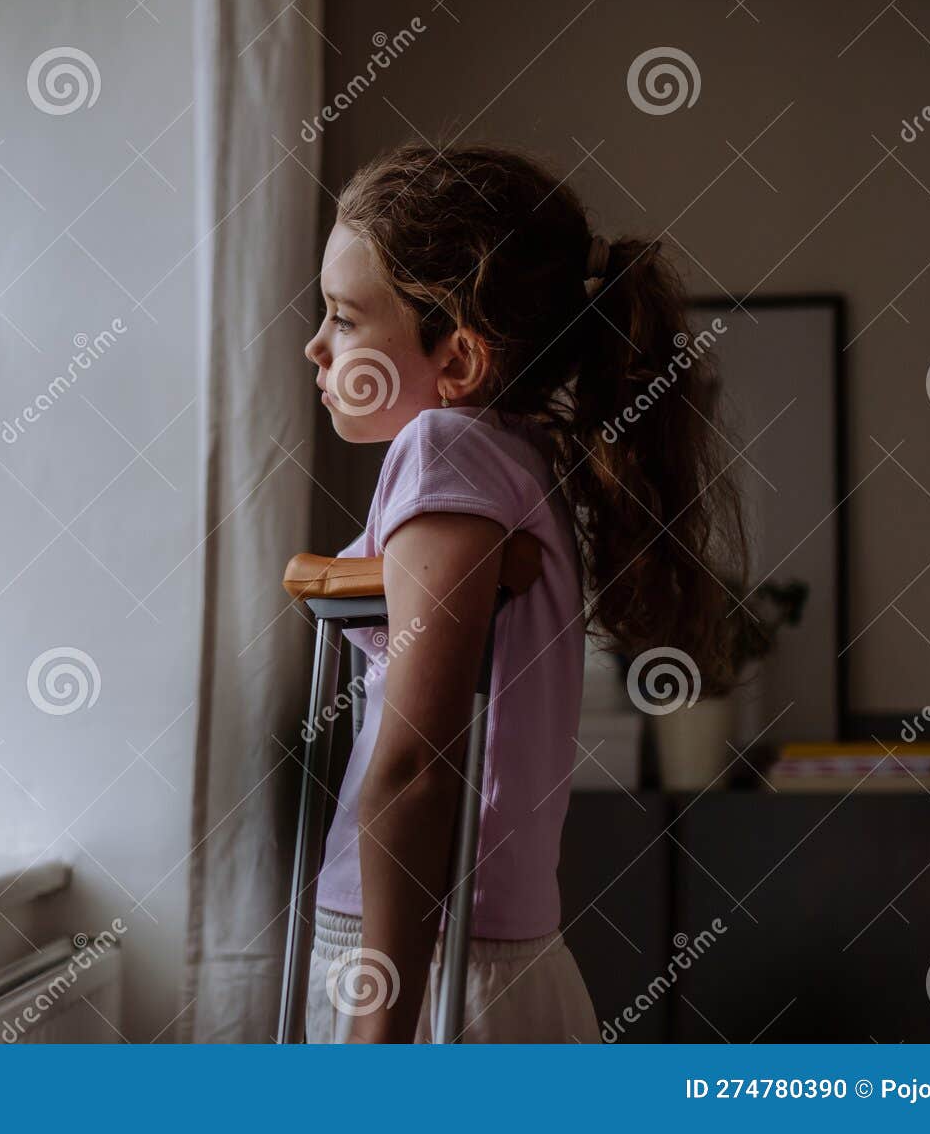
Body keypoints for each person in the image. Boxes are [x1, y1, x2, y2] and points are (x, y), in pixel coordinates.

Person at [303, 142, 748, 1043]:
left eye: (345, 319)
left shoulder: (446, 450)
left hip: (425, 965)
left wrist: (378, 1037)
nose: (315, 343)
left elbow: (424, 763)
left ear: (458, 361)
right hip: (480, 957)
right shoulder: (519, 457)